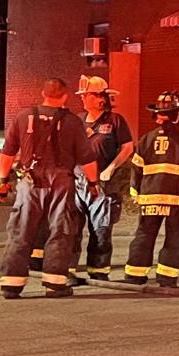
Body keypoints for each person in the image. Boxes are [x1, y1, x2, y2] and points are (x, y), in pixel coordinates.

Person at [0, 79, 99, 299]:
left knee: (21, 229)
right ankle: (55, 284)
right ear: (65, 96)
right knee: (60, 230)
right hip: (61, 181)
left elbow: (7, 153)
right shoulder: (72, 122)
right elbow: (87, 158)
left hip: (29, 181)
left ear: (43, 93)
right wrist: (93, 183)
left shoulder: (24, 117)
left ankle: (11, 285)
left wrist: (2, 181)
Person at [125, 91, 179, 288]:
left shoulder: (145, 140)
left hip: (149, 200)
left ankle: (134, 275)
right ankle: (166, 278)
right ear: (176, 116)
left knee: (144, 235)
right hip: (176, 201)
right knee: (174, 237)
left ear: (156, 115)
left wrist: (135, 193)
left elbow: (136, 170)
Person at [72, 75, 135, 283]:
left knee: (101, 229)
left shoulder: (115, 120)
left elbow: (127, 147)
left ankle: (98, 271)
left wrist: (111, 167)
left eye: (100, 95)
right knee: (71, 229)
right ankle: (69, 270)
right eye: (89, 95)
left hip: (102, 185)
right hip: (77, 182)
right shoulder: (77, 120)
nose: (84, 99)